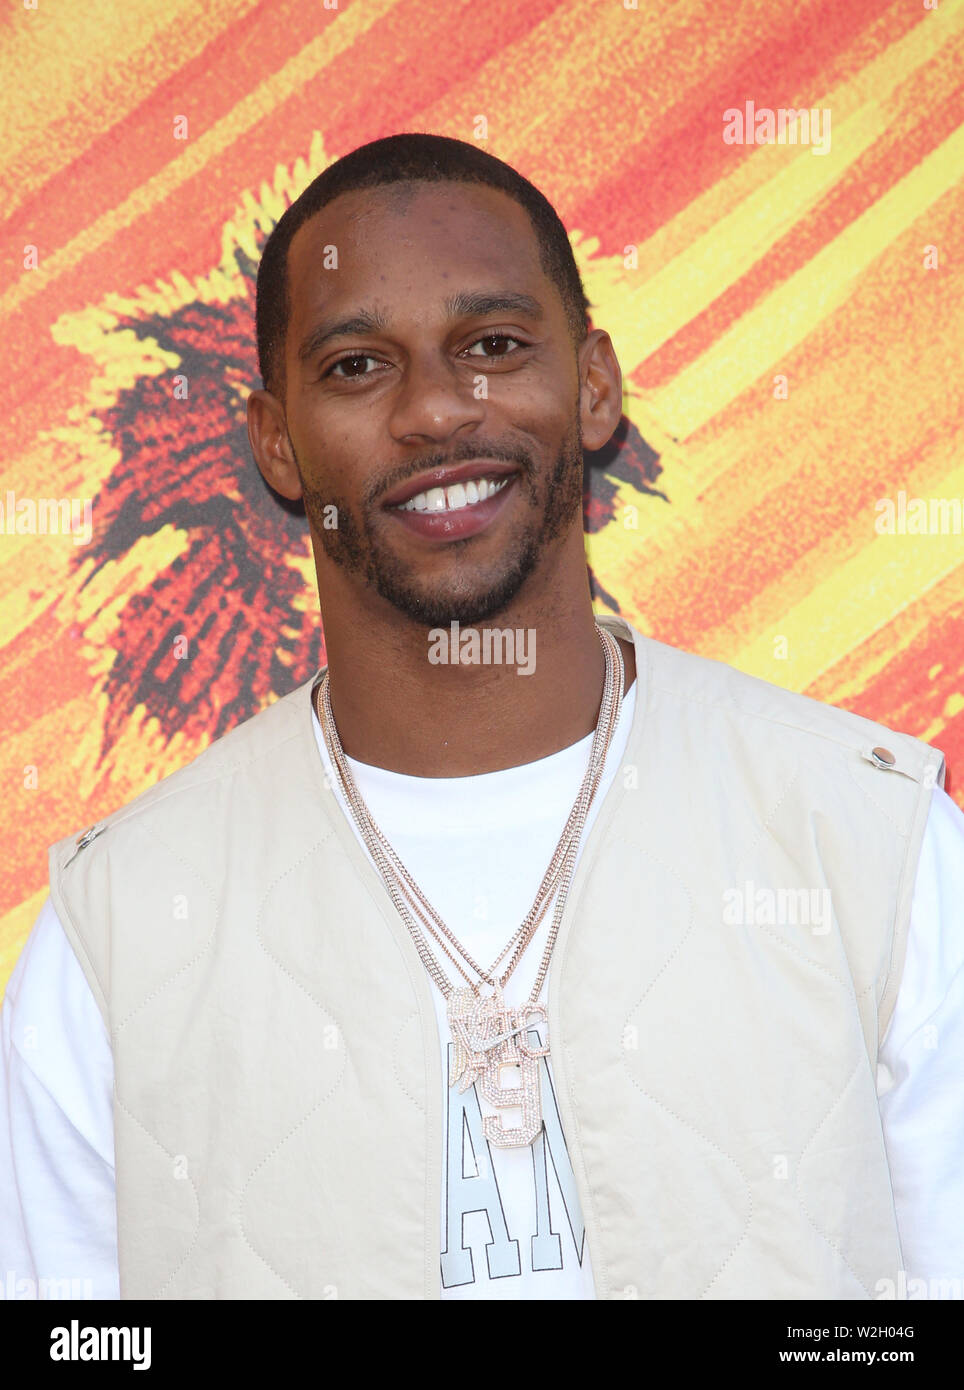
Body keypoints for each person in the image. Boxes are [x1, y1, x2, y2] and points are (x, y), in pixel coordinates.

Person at [2, 132, 962, 1302]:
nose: (437, 411)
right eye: (357, 365)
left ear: (593, 385)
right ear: (275, 441)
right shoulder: (117, 932)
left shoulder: (870, 844)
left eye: (494, 347)